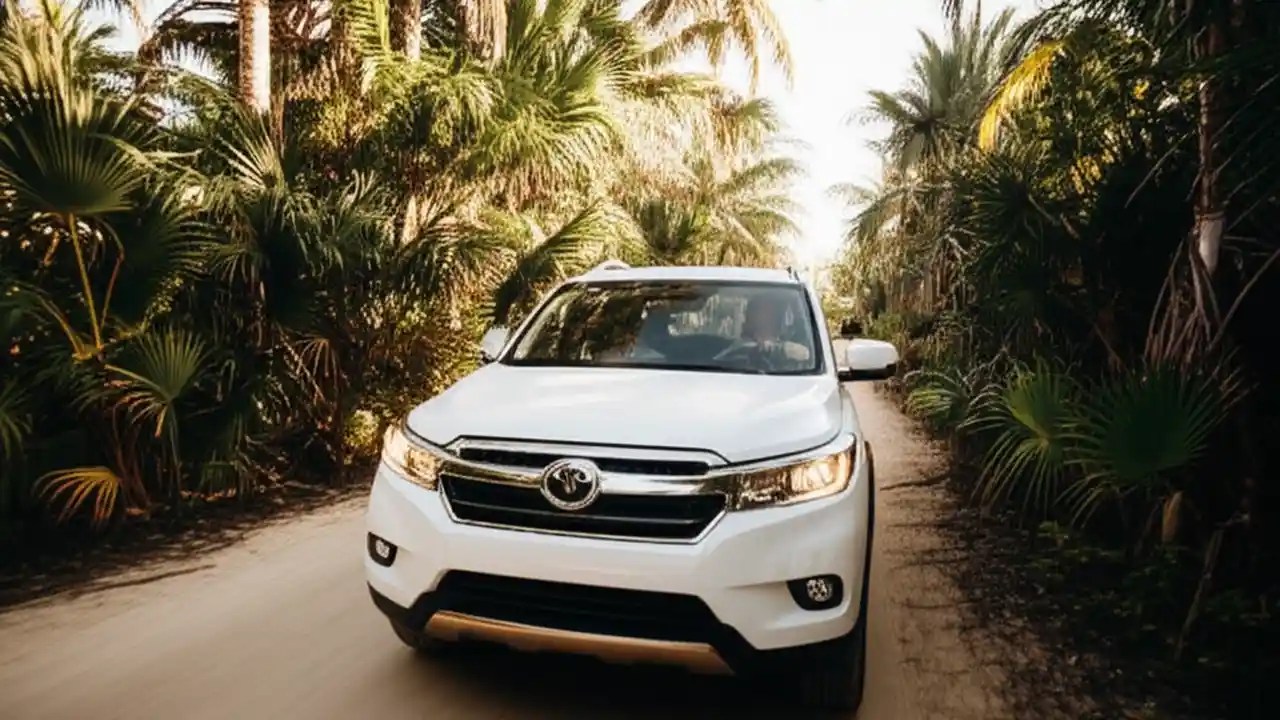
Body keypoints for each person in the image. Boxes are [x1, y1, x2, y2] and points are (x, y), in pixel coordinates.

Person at [715, 294, 811, 366]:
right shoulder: (735, 349)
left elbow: (805, 353)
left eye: (769, 314)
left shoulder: (785, 354)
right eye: (754, 310)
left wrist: (779, 350)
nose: (748, 316)